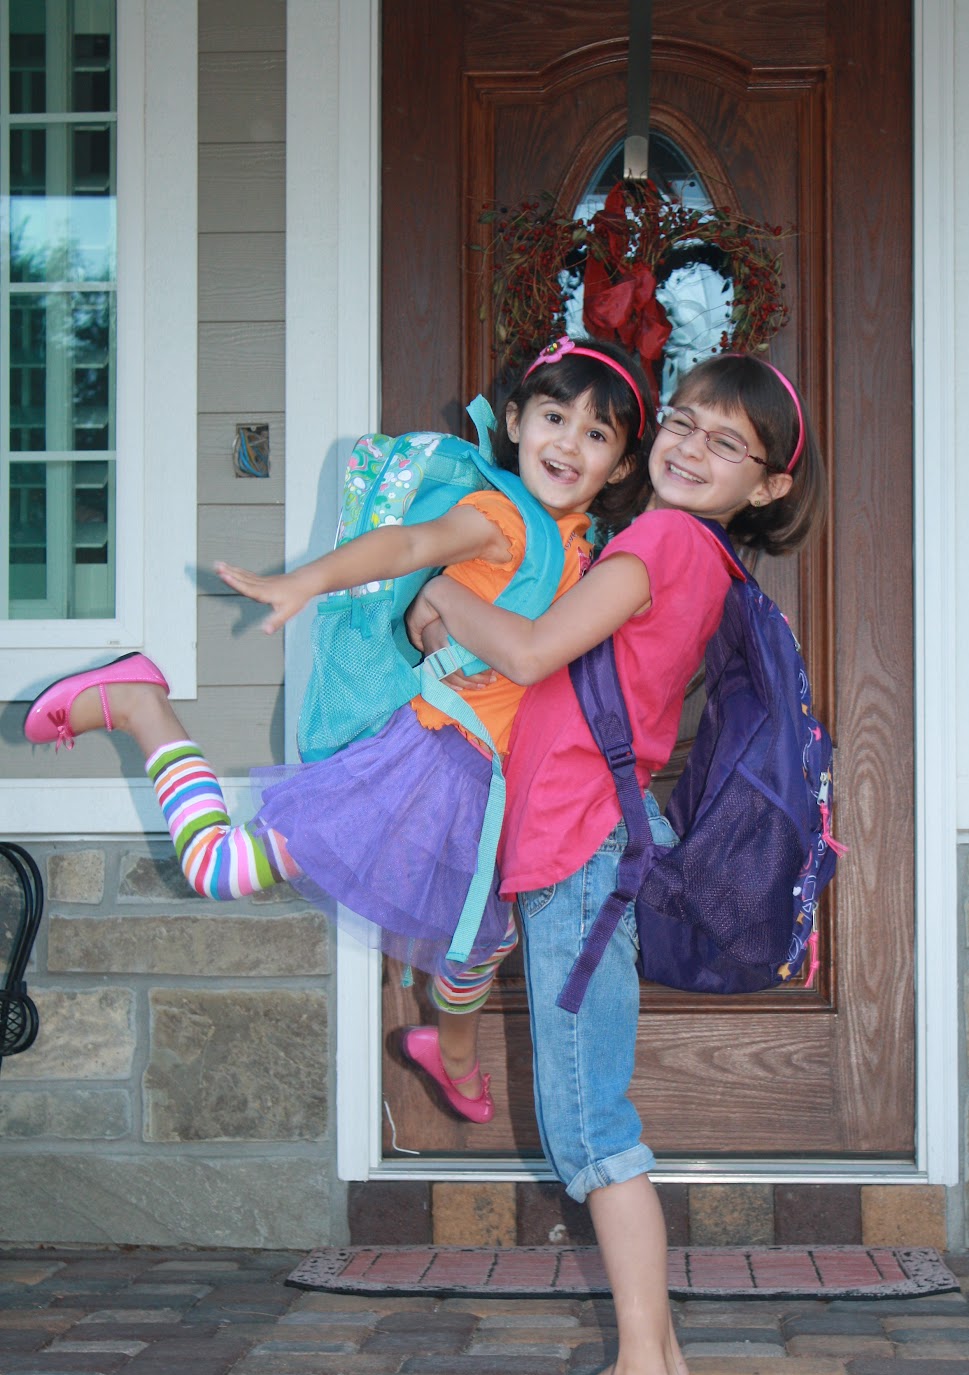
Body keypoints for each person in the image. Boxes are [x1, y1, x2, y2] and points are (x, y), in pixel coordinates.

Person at [22, 339, 652, 1123]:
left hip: (487, 785)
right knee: (224, 870)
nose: (568, 442)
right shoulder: (500, 517)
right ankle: (141, 706)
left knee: (482, 944)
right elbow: (410, 544)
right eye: (554, 417)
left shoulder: (580, 542)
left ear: (622, 465)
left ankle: (447, 1054)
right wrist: (306, 581)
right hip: (426, 770)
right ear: (516, 420)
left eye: (596, 434)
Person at [404, 352, 828, 1375]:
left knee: (591, 1126)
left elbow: (536, 648)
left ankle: (646, 1374)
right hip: (577, 841)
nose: (688, 448)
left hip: (582, 849)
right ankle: (657, 1366)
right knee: (584, 1116)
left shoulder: (662, 541)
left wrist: (436, 590)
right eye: (682, 422)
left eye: (723, 442)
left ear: (769, 482)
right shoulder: (683, 550)